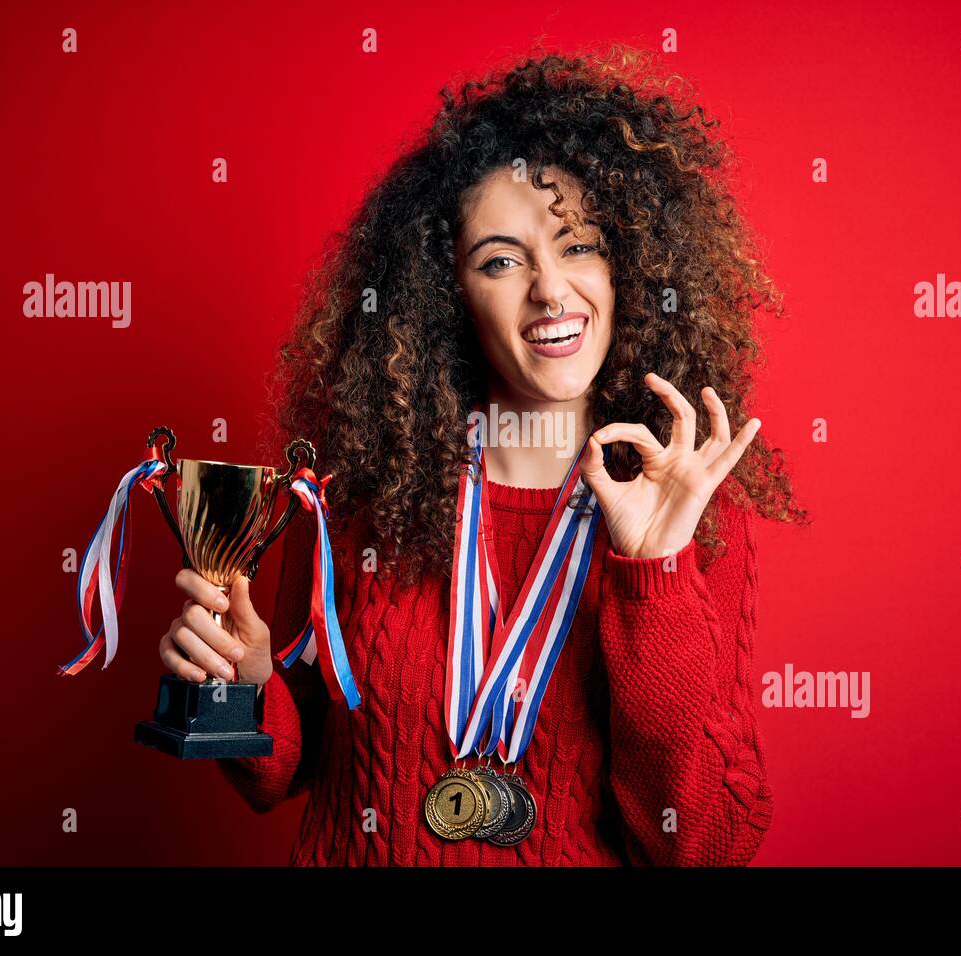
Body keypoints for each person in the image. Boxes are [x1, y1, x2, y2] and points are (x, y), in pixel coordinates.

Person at [157, 44, 806, 866]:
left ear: (631, 266)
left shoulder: (691, 515)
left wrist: (655, 575)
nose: (550, 290)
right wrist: (244, 680)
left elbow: (706, 843)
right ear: (446, 292)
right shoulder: (363, 486)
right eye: (501, 260)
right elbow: (280, 774)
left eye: (579, 246)